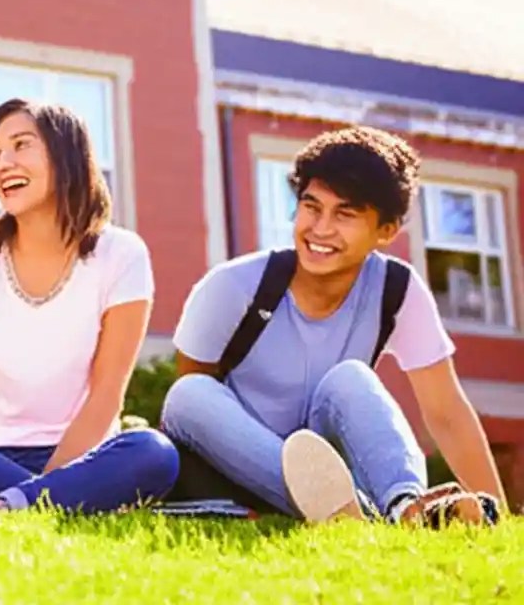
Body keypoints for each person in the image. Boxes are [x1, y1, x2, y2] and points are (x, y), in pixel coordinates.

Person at [162, 125, 505, 526]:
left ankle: (405, 507)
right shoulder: (232, 286)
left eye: (345, 214)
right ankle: (338, 507)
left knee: (351, 378)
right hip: (237, 467)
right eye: (312, 207)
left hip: (332, 467)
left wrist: (497, 514)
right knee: (188, 393)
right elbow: (196, 418)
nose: (321, 229)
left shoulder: (397, 291)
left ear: (386, 231)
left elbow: (446, 413)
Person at [0, 99, 180, 514]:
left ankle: (18, 502)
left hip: (82, 456)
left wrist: (59, 475)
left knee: (155, 453)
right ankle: (48, 501)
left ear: (66, 155)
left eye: (21, 145)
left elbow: (107, 392)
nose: (3, 163)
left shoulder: (122, 254)